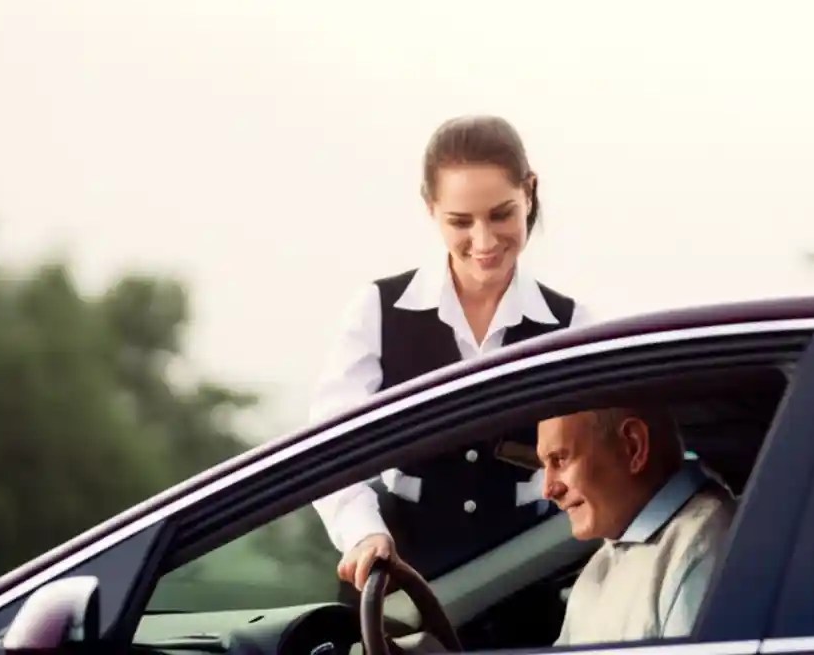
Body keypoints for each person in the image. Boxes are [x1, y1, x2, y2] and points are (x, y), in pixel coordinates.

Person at [309, 114, 596, 592]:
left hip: (527, 585)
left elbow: (597, 463)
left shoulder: (572, 323)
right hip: (397, 580)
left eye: (501, 214)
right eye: (460, 222)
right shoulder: (379, 310)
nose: (483, 241)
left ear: (529, 191)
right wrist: (363, 533)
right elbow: (328, 447)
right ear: (430, 209)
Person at [536, 404, 736, 645]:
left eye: (560, 460)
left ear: (633, 447)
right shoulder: (606, 560)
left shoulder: (702, 546)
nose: (548, 489)